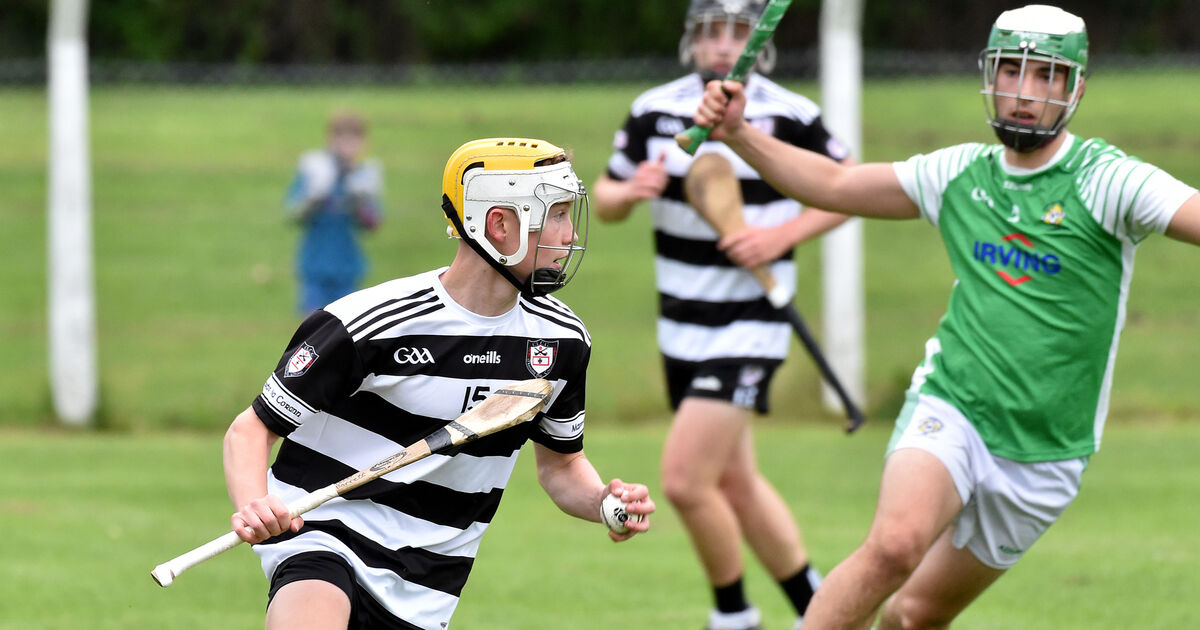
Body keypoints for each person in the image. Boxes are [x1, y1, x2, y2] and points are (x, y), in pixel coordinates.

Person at [694, 4, 1200, 628]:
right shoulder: (959, 173)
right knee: (895, 545)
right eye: (1011, 71)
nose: (1023, 92)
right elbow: (833, 184)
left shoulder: (1108, 182)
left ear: (1074, 89)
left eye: (1044, 76)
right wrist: (742, 134)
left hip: (1046, 454)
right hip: (953, 405)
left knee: (913, 617)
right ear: (989, 74)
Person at [225, 137, 656, 630]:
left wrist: (603, 500)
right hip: (324, 532)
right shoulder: (369, 325)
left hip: (431, 581)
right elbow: (250, 430)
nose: (567, 232)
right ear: (499, 223)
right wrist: (255, 505)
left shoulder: (561, 342)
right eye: (554, 214)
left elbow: (561, 468)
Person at [591, 1, 855, 628]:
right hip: (681, 325)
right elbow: (603, 197)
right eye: (713, 30)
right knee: (735, 482)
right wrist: (631, 193)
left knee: (683, 480)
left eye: (738, 31)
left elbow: (850, 189)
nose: (724, 43)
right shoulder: (655, 109)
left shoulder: (791, 114)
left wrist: (780, 234)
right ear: (693, 39)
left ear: (758, 41)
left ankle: (734, 617)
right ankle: (817, 612)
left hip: (753, 322)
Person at [284, 110, 384, 314]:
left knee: (346, 329)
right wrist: (313, 198)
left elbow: (372, 224)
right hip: (315, 264)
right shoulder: (314, 171)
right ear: (330, 140)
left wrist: (360, 201)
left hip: (347, 266)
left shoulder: (364, 176)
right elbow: (293, 215)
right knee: (312, 329)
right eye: (342, 139)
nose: (347, 147)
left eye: (354, 140)